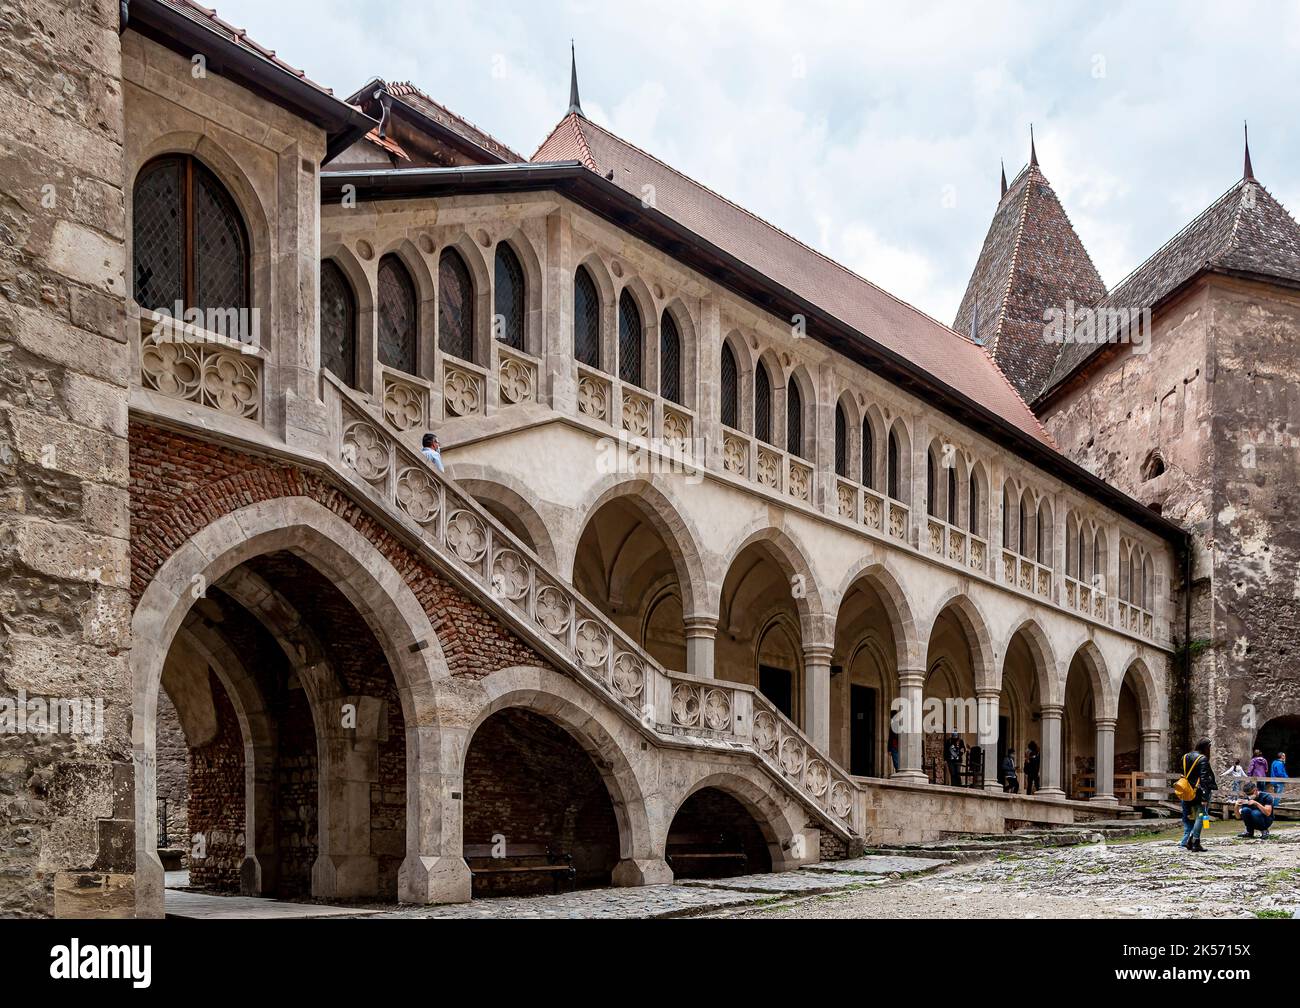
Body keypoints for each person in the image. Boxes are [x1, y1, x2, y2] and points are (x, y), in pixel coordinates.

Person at [1178, 738, 1214, 853]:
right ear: (1206, 747)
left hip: (1186, 790)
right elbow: (1204, 779)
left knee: (1188, 816)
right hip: (1198, 792)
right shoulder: (1202, 759)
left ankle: (1186, 841)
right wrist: (1205, 797)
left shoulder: (1185, 757)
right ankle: (1195, 841)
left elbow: (1183, 774)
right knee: (1201, 815)